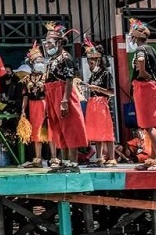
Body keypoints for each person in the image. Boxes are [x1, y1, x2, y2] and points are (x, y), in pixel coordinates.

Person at [43, 22, 88, 172]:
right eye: (46, 42)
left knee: (70, 127)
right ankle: (64, 161)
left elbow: (69, 79)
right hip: (51, 94)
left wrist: (65, 100)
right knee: (58, 128)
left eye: (49, 42)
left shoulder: (66, 57)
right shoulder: (51, 60)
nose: (47, 45)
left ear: (59, 42)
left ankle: (73, 163)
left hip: (63, 93)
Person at [127, 18, 156, 171]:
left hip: (146, 87)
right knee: (148, 125)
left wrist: (143, 73)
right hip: (150, 88)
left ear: (135, 37)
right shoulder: (152, 49)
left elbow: (141, 64)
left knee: (150, 125)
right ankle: (152, 158)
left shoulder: (141, 50)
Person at [83, 36, 117, 167]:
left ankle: (112, 157)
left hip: (102, 103)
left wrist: (96, 88)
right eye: (89, 61)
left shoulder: (105, 74)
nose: (90, 63)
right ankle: (99, 157)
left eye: (92, 61)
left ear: (98, 60)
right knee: (95, 131)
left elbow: (111, 92)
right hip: (92, 104)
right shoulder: (93, 75)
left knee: (106, 130)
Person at [21, 42, 53, 168]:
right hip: (33, 106)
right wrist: (23, 110)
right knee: (36, 133)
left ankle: (54, 157)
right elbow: (25, 96)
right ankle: (38, 158)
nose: (40, 63)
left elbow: (50, 94)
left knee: (49, 131)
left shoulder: (47, 77)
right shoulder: (27, 79)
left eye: (41, 60)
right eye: (37, 61)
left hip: (44, 105)